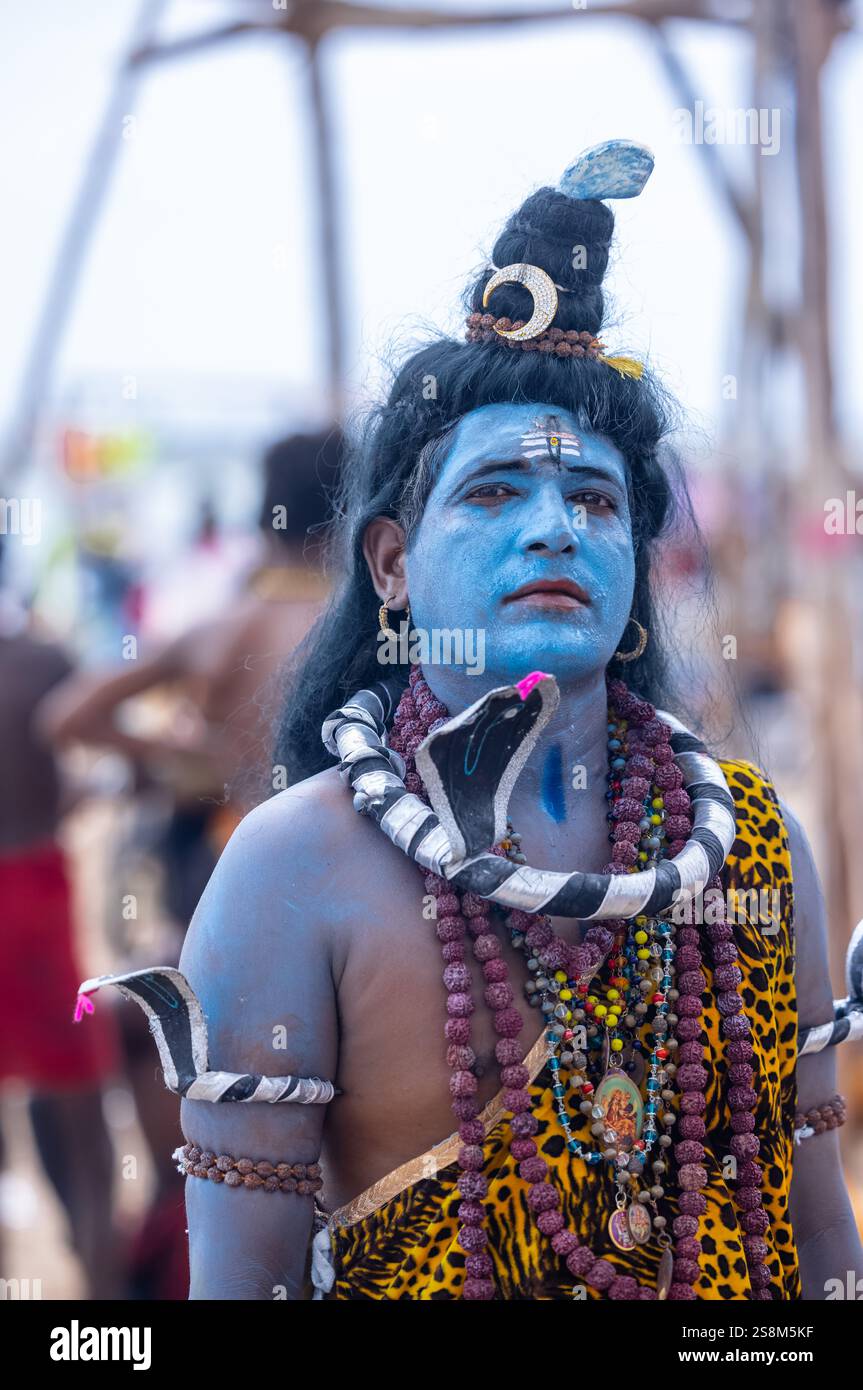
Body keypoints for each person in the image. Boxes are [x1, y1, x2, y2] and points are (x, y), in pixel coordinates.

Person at [82, 141, 861, 1300]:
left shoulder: (742, 841)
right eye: (494, 492)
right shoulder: (293, 868)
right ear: (392, 563)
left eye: (592, 499)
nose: (554, 528)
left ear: (630, 563)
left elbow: (816, 1240)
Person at [44, 427, 343, 1298]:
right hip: (341, 918)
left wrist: (182, 760)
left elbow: (69, 716)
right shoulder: (370, 634)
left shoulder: (220, 628)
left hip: (207, 901)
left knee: (197, 1140)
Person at [0, 540, 121, 1299]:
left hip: (33, 884)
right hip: (33, 892)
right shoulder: (42, 659)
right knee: (77, 1102)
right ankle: (102, 1294)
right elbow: (106, 763)